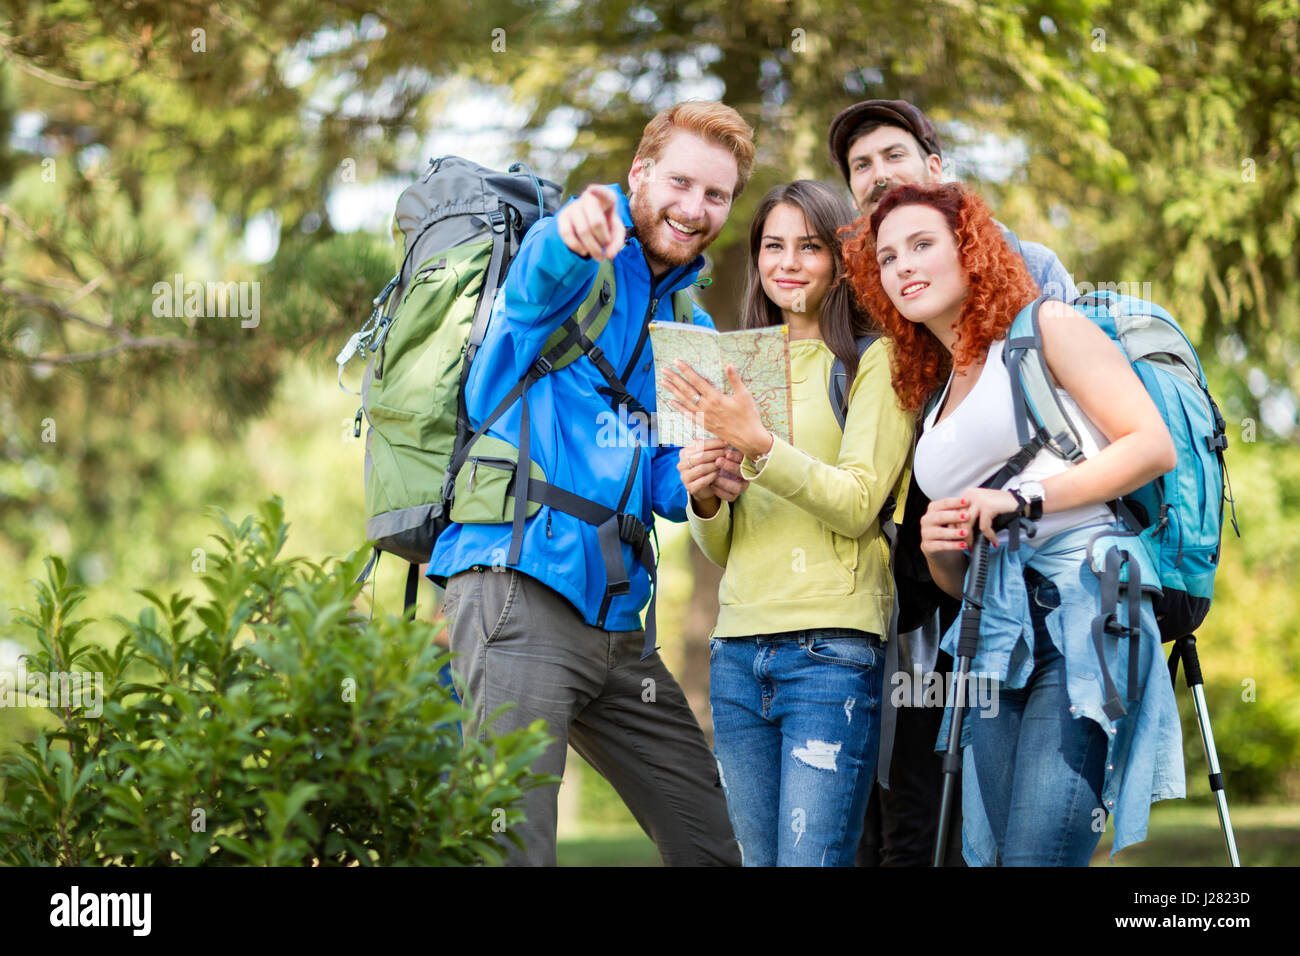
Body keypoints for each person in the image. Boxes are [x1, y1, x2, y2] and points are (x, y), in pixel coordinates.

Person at [431, 101, 755, 866]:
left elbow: (665, 488)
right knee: (512, 850)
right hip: (518, 590)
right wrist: (577, 232)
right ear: (640, 174)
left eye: (716, 195)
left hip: (619, 628)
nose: (694, 208)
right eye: (679, 182)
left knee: (710, 842)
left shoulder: (693, 329)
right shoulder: (573, 264)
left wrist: (708, 478)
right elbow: (538, 280)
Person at [842, 180, 1185, 865]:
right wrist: (942, 546)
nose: (903, 265)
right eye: (886, 258)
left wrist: (1026, 500)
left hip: (1087, 609)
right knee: (993, 854)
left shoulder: (1046, 328)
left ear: (969, 250)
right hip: (995, 636)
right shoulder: (935, 398)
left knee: (1038, 853)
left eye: (921, 245)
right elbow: (952, 581)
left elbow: (1150, 447)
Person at [825, 97, 1079, 866]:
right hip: (926, 574)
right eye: (860, 167)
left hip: (1041, 578)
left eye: (893, 156)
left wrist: (1015, 502)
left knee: (989, 813)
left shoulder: (1028, 270)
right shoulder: (861, 305)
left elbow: (1080, 424)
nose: (876, 176)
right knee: (903, 792)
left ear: (938, 171)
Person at [662, 180, 913, 866]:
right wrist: (707, 497)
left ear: (841, 260)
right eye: (773, 245)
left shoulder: (874, 360)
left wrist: (762, 446)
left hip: (831, 651)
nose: (788, 263)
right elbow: (722, 545)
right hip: (738, 651)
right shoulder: (736, 365)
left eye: (810, 246)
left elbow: (860, 502)